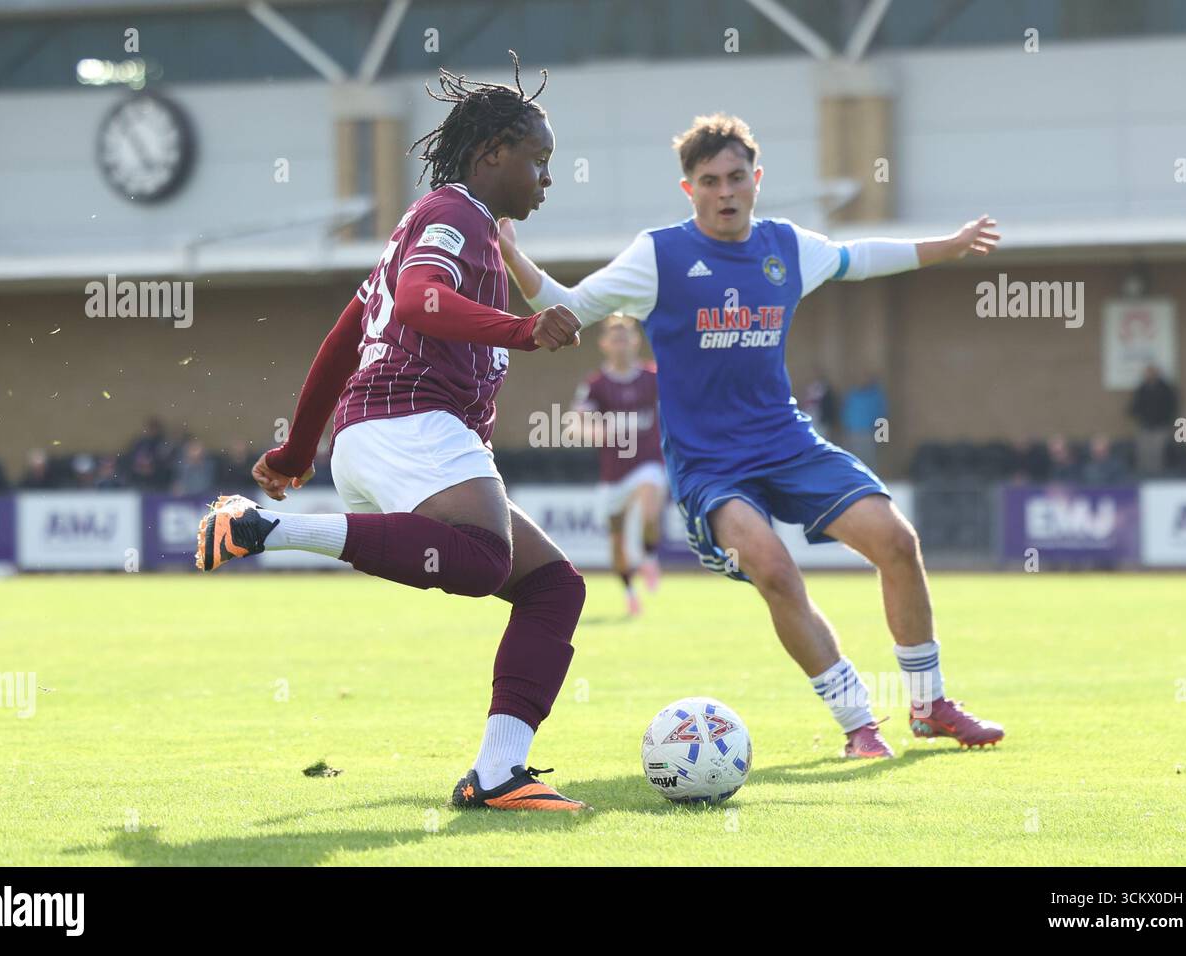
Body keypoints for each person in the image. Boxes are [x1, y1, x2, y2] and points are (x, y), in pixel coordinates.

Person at [500, 113, 1005, 756]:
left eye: (737, 177)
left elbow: (861, 257)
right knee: (775, 570)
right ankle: (859, 724)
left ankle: (930, 705)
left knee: (897, 542)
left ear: (757, 180)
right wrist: (513, 256)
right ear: (690, 190)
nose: (725, 191)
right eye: (709, 181)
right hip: (711, 466)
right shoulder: (660, 255)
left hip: (787, 442)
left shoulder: (787, 246)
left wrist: (951, 245)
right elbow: (564, 305)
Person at [193, 54, 591, 811]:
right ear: (490, 153)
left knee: (552, 587)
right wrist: (523, 329)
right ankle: (265, 530)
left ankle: (500, 772)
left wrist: (294, 450)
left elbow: (346, 339)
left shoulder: (429, 225)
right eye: (539, 162)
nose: (546, 180)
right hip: (411, 421)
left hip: (384, 432)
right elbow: (416, 303)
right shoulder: (458, 217)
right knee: (481, 562)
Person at [572, 313, 665, 616]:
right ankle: (629, 591)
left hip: (648, 463)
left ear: (636, 341)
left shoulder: (653, 378)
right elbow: (574, 426)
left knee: (650, 499)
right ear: (604, 345)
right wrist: (596, 431)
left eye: (626, 338)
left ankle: (650, 558)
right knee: (617, 543)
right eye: (615, 339)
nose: (621, 344)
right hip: (614, 475)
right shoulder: (596, 385)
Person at [1128, 364, 1178, 477]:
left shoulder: (1165, 389)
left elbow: (1172, 407)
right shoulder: (1142, 388)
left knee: (1157, 453)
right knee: (1143, 452)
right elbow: (1135, 405)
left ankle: (1157, 476)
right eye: (1147, 373)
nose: (1149, 376)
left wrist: (1166, 420)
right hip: (1145, 426)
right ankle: (1143, 475)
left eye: (1151, 373)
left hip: (1160, 426)